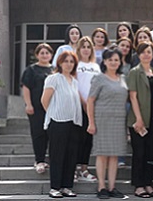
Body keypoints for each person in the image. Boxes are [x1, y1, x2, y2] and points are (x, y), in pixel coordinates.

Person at [87, 49, 128, 199]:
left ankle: (112, 187)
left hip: (118, 120)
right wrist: (91, 122)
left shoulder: (123, 78)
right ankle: (101, 187)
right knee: (102, 154)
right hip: (102, 120)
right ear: (104, 61)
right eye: (110, 59)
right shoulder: (99, 79)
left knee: (114, 155)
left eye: (116, 60)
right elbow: (90, 101)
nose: (113, 62)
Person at [41, 51, 82, 198]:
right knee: (57, 155)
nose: (69, 64)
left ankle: (67, 186)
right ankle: (55, 187)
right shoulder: (53, 79)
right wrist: (53, 114)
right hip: (58, 122)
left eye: (71, 62)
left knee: (71, 156)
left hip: (73, 122)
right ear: (59, 63)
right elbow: (44, 100)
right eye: (66, 61)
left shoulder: (74, 81)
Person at [127, 42, 153, 198]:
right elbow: (132, 97)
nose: (146, 54)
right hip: (138, 119)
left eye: (149, 52)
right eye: (143, 52)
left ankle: (148, 183)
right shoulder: (134, 72)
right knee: (139, 153)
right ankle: (138, 185)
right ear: (138, 55)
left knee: (150, 153)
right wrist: (138, 119)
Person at [21, 43, 53, 174]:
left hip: (53, 109)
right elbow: (26, 87)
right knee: (38, 134)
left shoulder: (55, 69)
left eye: (47, 53)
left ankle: (52, 160)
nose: (45, 55)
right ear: (37, 55)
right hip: (36, 108)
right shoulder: (31, 70)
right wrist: (28, 104)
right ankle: (39, 160)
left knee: (52, 135)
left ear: (51, 55)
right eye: (42, 53)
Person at [75, 36, 100, 182]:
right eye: (83, 46)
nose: (86, 49)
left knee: (87, 139)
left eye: (88, 47)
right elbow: (74, 85)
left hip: (93, 107)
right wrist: (83, 103)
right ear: (79, 49)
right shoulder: (75, 64)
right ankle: (73, 169)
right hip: (78, 106)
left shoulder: (96, 67)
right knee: (76, 139)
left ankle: (84, 169)